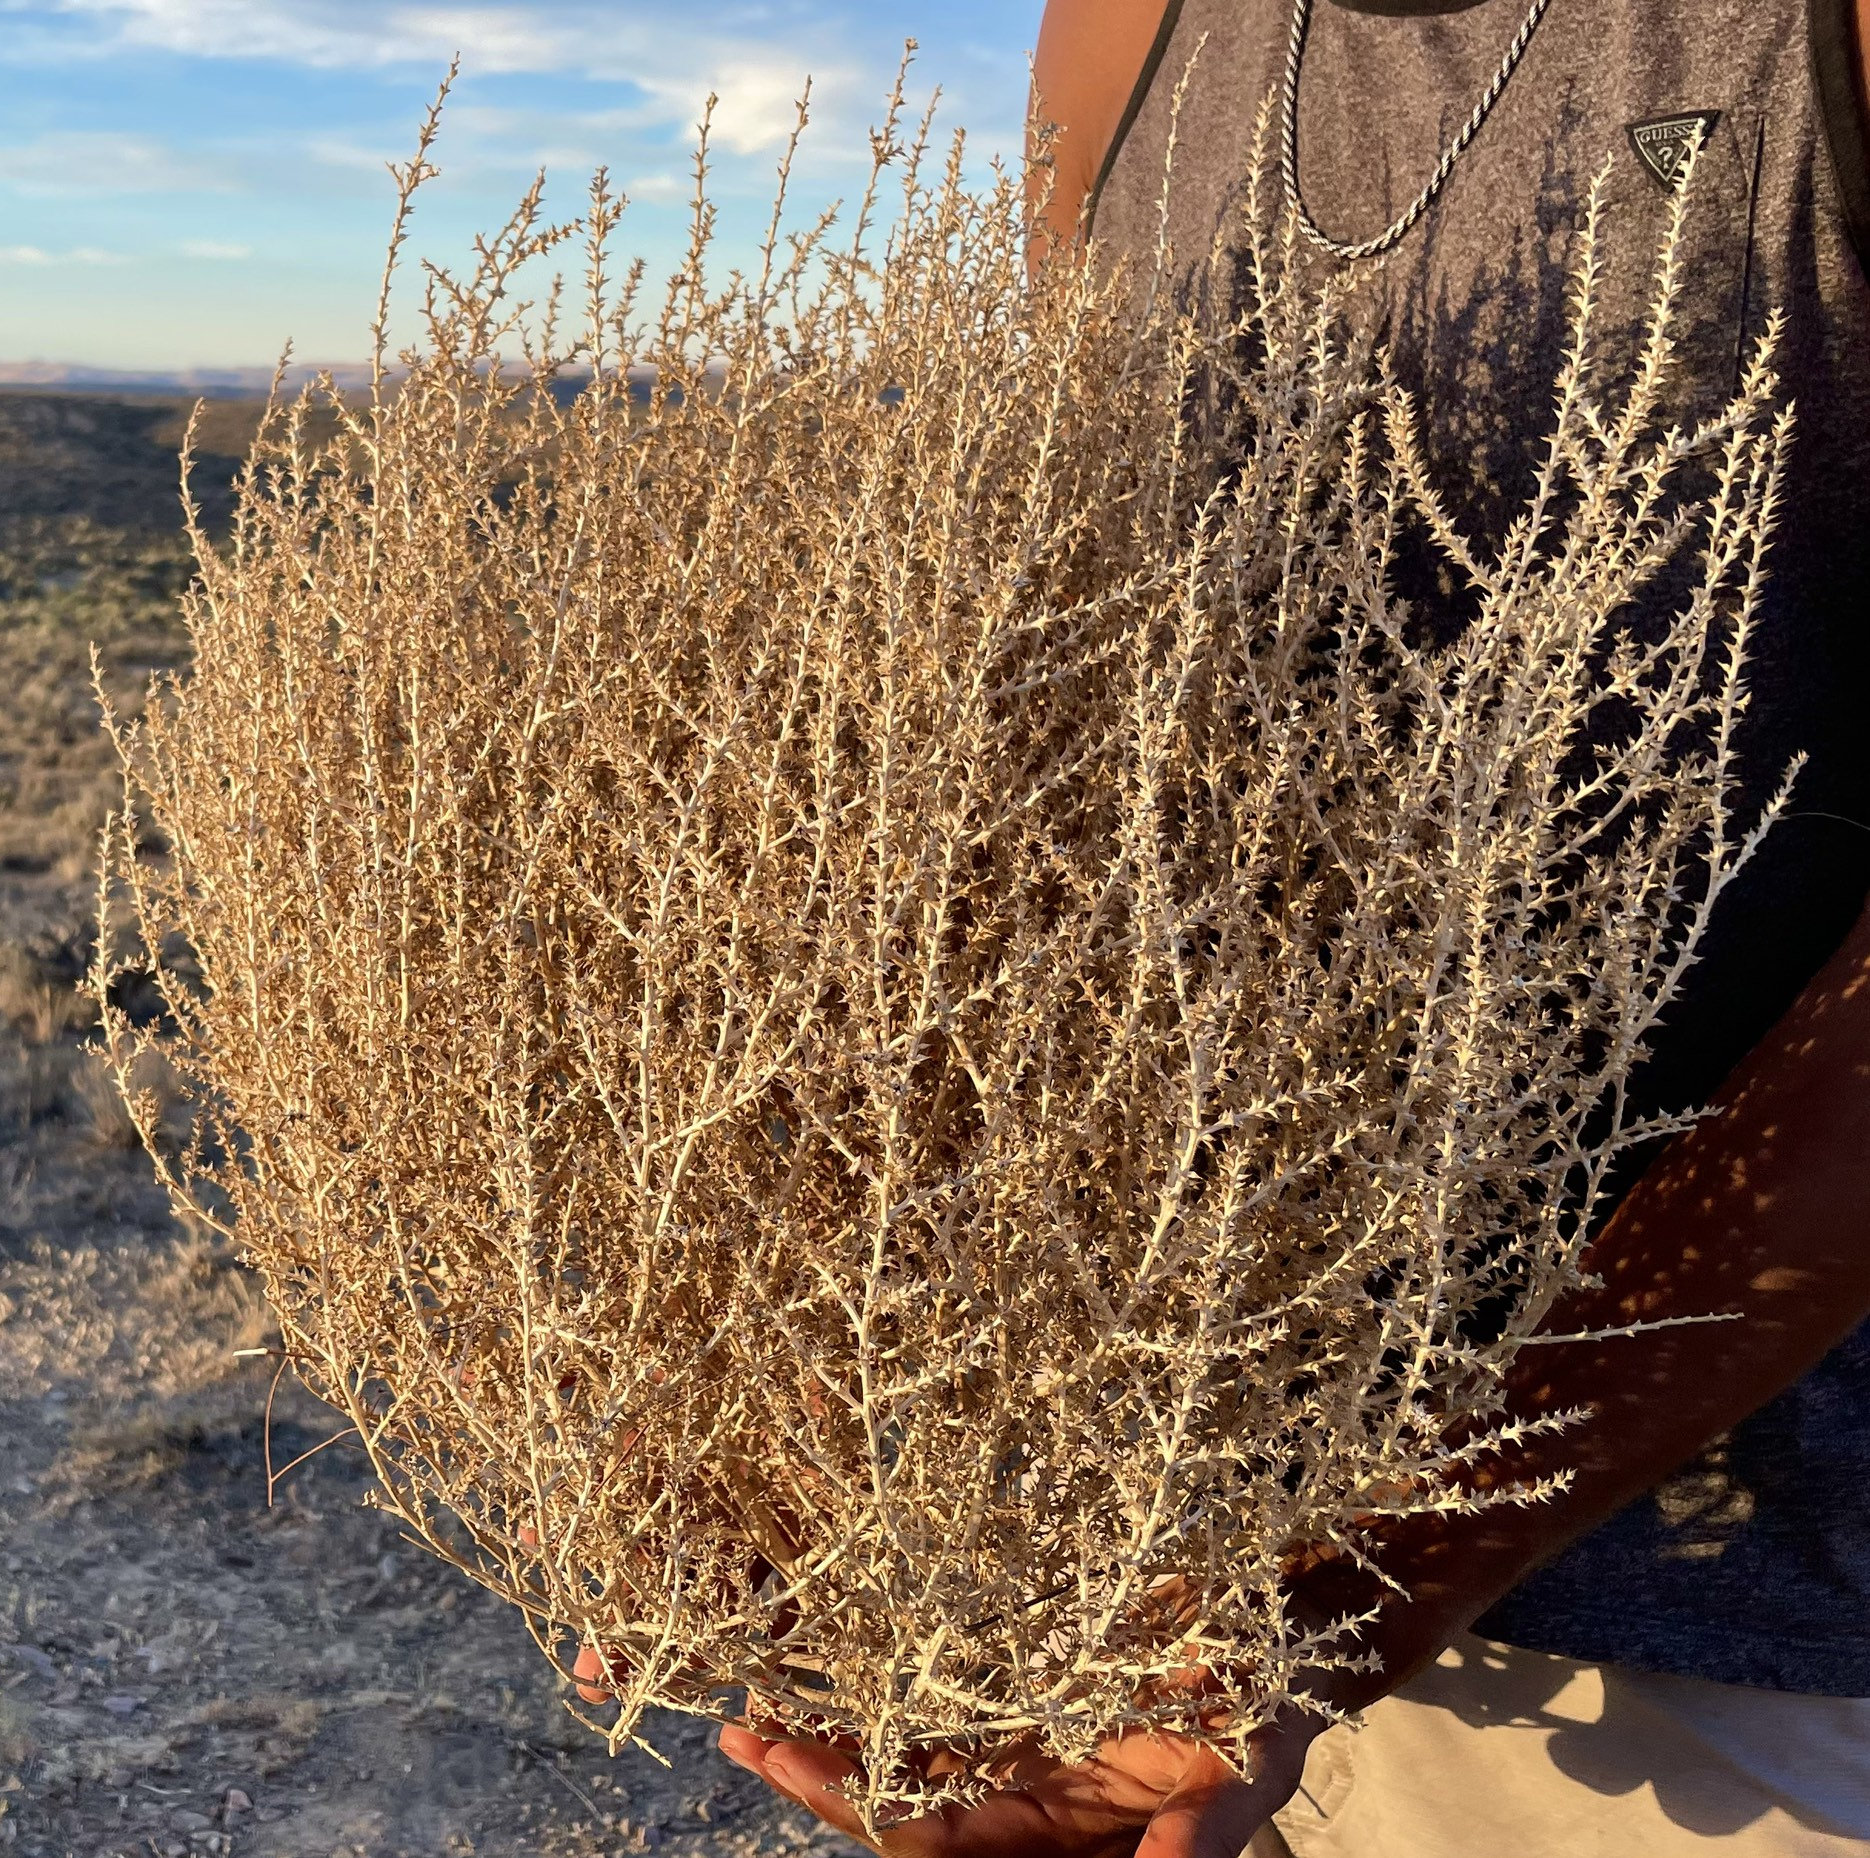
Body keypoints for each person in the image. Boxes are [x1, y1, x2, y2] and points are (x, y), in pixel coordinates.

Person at [715, 2, 1870, 1853]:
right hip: (1173, 1610)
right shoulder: (1125, 26)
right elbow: (1077, 718)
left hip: (1740, 1662)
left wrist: (1371, 1570)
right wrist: (836, 1426)